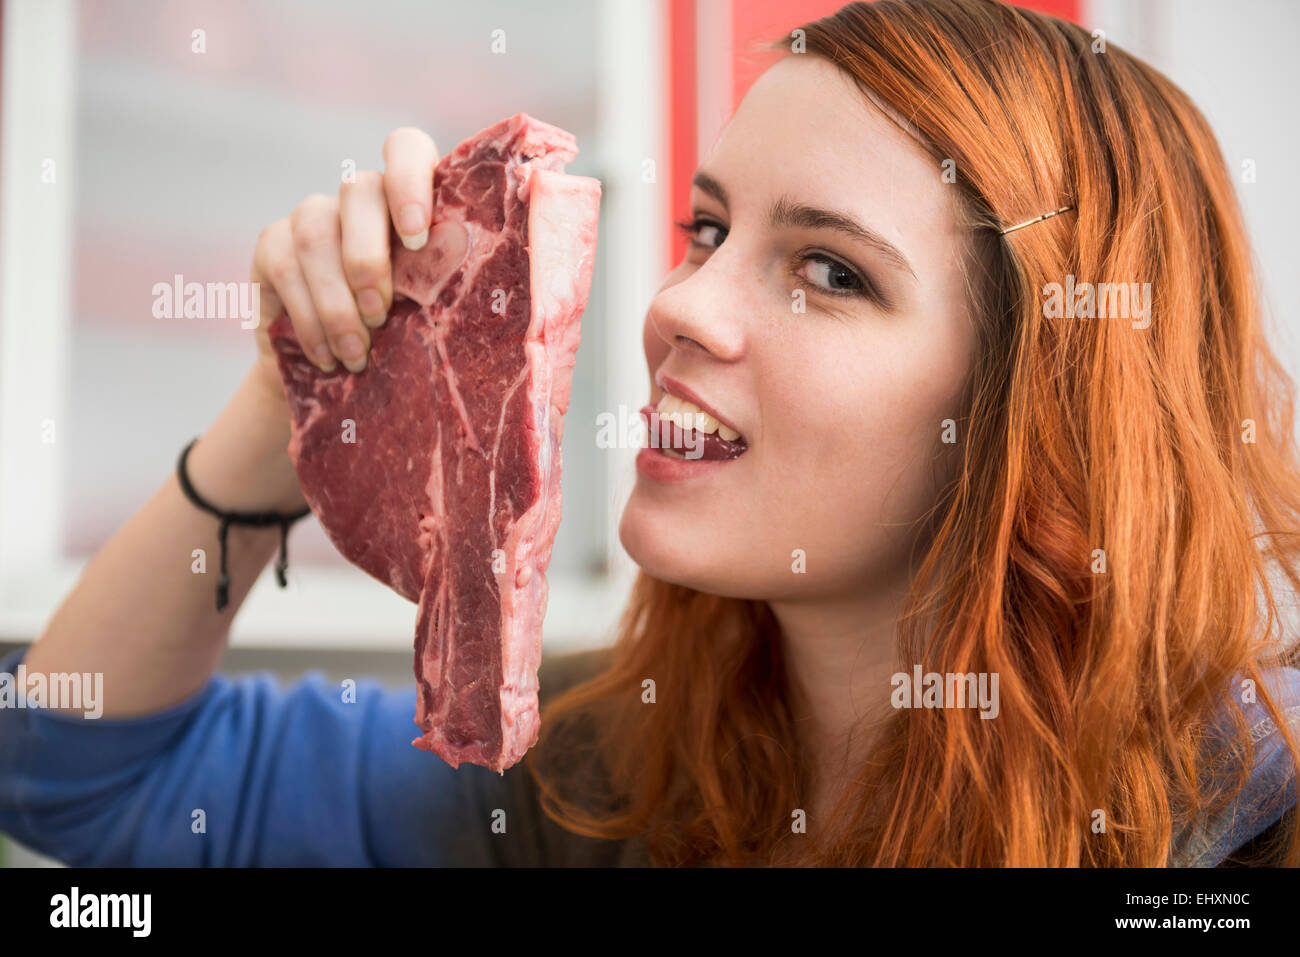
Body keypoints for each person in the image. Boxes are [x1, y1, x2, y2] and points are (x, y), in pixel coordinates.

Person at [2, 0, 1298, 867]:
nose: (678, 306)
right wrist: (285, 413)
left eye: (833, 272)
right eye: (711, 231)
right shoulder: (595, 770)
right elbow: (77, 775)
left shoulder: (1242, 830)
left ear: (1043, 413)